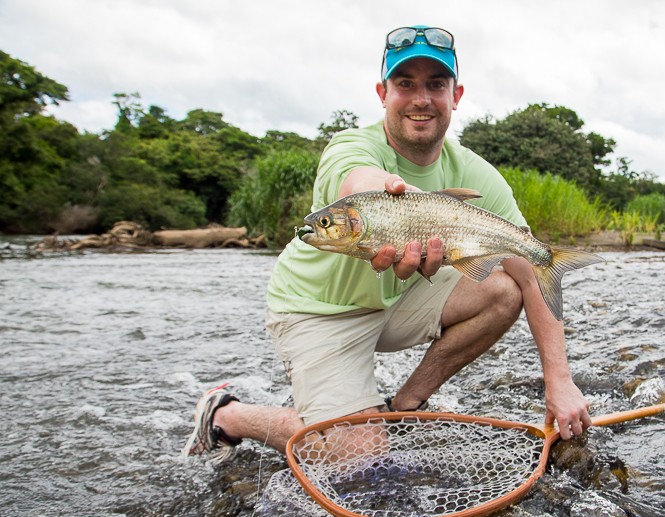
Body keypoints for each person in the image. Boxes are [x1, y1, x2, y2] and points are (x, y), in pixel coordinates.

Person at [182, 25, 592, 463]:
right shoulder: (350, 146)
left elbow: (530, 268)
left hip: (395, 301)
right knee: (359, 457)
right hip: (316, 309)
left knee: (505, 288)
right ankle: (226, 415)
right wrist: (399, 201)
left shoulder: (478, 174)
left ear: (456, 95)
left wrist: (559, 380)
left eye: (436, 84)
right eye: (405, 84)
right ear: (383, 93)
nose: (421, 98)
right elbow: (359, 180)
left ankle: (405, 406)